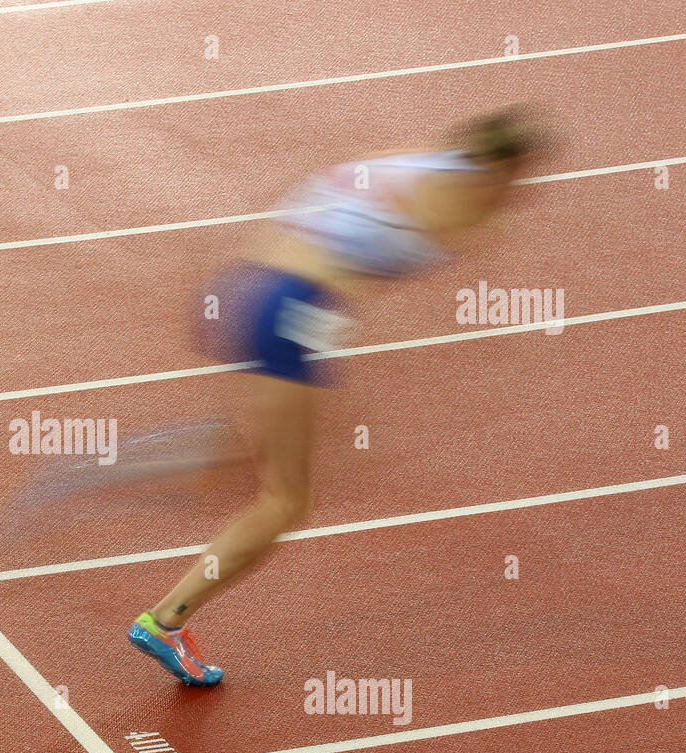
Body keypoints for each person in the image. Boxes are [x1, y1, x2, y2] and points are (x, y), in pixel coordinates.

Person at [127, 106, 542, 685]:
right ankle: (164, 617)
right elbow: (386, 258)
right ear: (500, 170)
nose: (519, 194)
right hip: (292, 312)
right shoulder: (461, 206)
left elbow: (319, 218)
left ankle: (142, 475)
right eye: (519, 179)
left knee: (253, 467)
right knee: (285, 500)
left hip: (246, 287)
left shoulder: (408, 166)